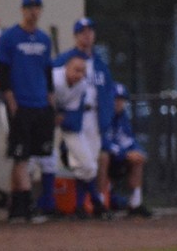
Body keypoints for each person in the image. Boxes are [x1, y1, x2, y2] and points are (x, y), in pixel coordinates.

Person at [0, 0, 55, 223]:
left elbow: (47, 72)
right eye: (29, 7)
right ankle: (27, 205)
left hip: (39, 102)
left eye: (37, 7)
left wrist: (50, 101)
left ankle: (16, 207)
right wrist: (11, 100)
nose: (33, 11)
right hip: (21, 104)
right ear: (22, 10)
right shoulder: (10, 37)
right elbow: (3, 71)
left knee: (26, 156)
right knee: (21, 156)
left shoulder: (44, 39)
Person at [54, 17, 115, 219]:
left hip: (95, 116)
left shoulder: (99, 63)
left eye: (89, 31)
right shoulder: (66, 59)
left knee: (88, 163)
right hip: (75, 116)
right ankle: (94, 202)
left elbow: (107, 91)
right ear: (76, 35)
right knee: (85, 162)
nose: (87, 35)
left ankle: (83, 205)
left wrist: (107, 117)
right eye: (82, 31)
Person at [98, 82, 153, 218]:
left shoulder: (122, 118)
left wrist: (138, 151)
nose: (119, 103)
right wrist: (125, 154)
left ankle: (135, 204)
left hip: (118, 158)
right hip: (102, 158)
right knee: (103, 157)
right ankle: (100, 204)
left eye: (121, 100)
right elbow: (101, 142)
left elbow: (129, 140)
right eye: (115, 99)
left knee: (137, 159)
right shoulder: (101, 116)